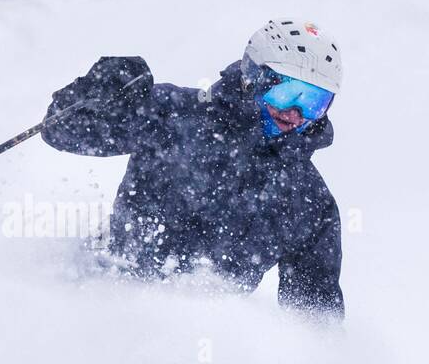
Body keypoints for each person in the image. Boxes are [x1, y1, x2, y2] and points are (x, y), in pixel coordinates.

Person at [41, 19, 345, 320]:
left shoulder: (309, 201)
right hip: (97, 303)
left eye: (315, 101)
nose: (295, 113)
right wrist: (96, 92)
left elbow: (315, 325)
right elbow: (61, 131)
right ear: (253, 76)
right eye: (287, 92)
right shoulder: (177, 114)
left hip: (193, 339)